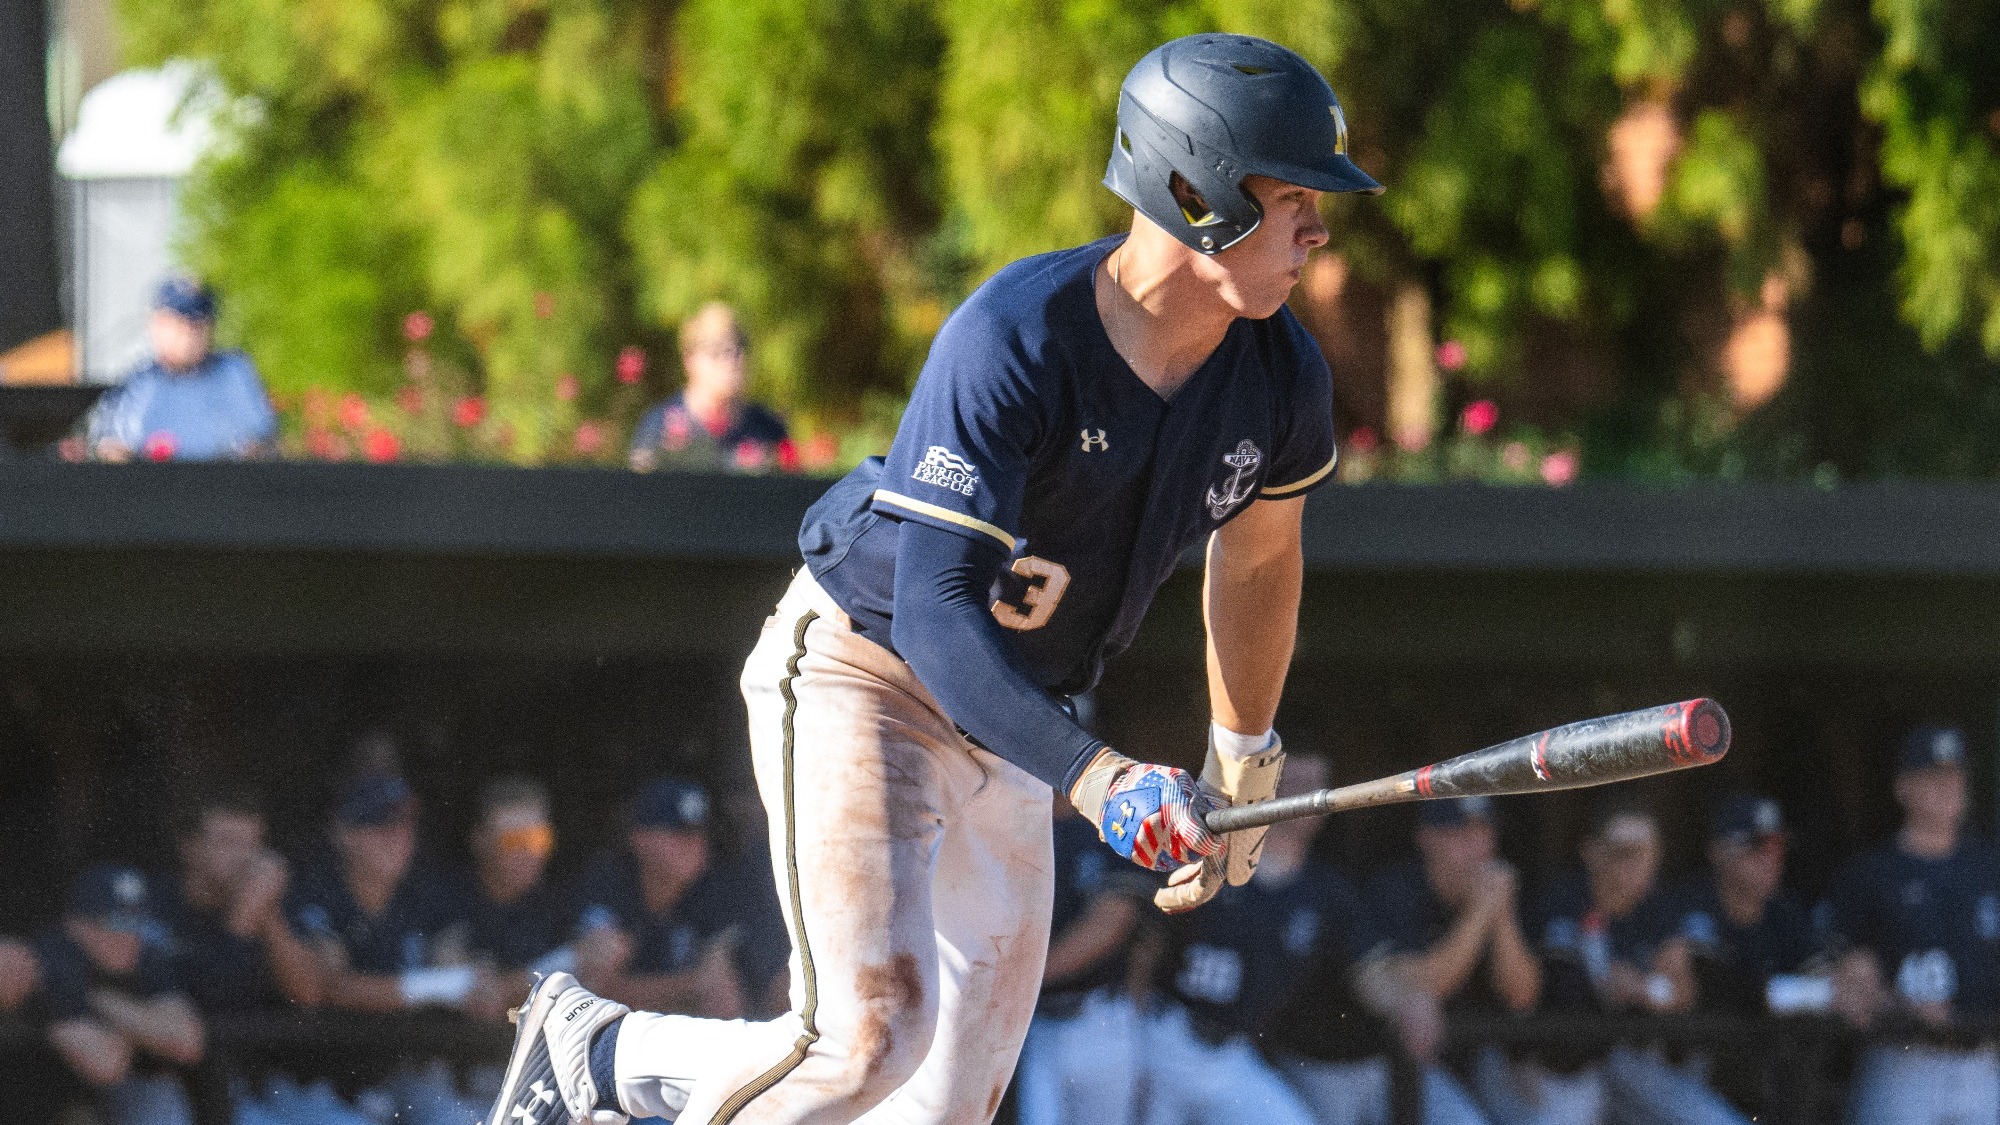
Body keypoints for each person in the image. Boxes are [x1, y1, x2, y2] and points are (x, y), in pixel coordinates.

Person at [485, 31, 1377, 1125]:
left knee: (950, 1103)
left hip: (1015, 714)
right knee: (863, 1038)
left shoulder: (1279, 370)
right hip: (871, 669)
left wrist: (1241, 749)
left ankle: (608, 1062)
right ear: (1197, 193)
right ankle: (605, 1053)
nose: (1317, 227)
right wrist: (1098, 780)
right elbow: (934, 610)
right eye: (1293, 194)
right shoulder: (1018, 335)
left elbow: (1258, 556)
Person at [1144, 752, 1447, 1125]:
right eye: (1291, 784)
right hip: (1163, 1036)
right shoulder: (1209, 858)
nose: (1303, 797)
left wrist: (1407, 1001)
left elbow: (1369, 971)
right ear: (1265, 789)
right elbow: (1145, 943)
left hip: (1232, 1053)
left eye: (1314, 787)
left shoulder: (1327, 892)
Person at [1490, 805, 1746, 1125]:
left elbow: (1682, 992)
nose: (1635, 864)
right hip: (1543, 1060)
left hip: (1619, 1058)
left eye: (1645, 852)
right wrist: (1602, 982)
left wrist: (1648, 989)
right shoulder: (1561, 898)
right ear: (1592, 852)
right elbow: (1524, 995)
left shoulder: (1658, 908)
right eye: (1623, 851)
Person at [1819, 725, 2000, 1125]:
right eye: (1933, 775)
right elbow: (1837, 978)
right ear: (1903, 787)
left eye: (1955, 775)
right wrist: (1889, 1002)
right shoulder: (1872, 873)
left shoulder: (1990, 868)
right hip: (1904, 1063)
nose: (1947, 786)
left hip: (1986, 1064)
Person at [286, 773, 481, 1125]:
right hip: (322, 1080)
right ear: (344, 833)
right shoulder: (316, 889)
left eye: (406, 827)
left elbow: (466, 979)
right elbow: (329, 985)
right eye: (381, 827)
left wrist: (466, 983)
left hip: (409, 1073)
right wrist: (435, 986)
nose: (398, 839)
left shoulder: (425, 893)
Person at [1367, 796, 1541, 1125]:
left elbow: (1522, 995)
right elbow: (1427, 984)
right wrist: (1479, 914)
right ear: (1427, 837)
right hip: (1390, 1066)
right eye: (1462, 834)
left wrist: (1501, 919)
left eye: (1484, 833)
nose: (1478, 847)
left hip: (1477, 1058)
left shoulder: (1499, 891)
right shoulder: (1398, 889)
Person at [1669, 794, 1814, 1117]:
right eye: (1756, 846)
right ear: (1719, 851)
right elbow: (1707, 987)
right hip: (1687, 1068)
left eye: (1777, 847)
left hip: (1763, 1074)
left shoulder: (1787, 917)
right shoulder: (1687, 906)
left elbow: (1823, 981)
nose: (1770, 858)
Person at [1013, 798, 1155, 1125]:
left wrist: (1015, 983)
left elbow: (1112, 926)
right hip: (1035, 1026)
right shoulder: (1015, 825)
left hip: (1100, 1019)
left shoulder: (1113, 826)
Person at [32, 865, 205, 1125]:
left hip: (111, 1100)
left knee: (160, 1096)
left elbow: (187, 1042)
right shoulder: (54, 958)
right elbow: (107, 1064)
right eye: (117, 922)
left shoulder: (145, 957)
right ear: (78, 926)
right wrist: (142, 1022)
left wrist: (100, 1000)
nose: (129, 935)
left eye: (138, 922)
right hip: (41, 1102)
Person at [569, 777, 754, 1019]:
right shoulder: (607, 884)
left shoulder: (712, 889)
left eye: (700, 834)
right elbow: (593, 996)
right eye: (680, 834)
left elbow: (723, 1000)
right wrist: (691, 984)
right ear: (641, 838)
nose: (695, 845)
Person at [85, 276, 277, 461]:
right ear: (155, 324)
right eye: (179, 322)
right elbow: (110, 449)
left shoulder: (233, 373)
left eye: (198, 323)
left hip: (228, 488)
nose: (189, 333)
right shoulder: (138, 385)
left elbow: (263, 442)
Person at [459, 776, 576, 1021]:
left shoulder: (562, 905)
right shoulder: (448, 903)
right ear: (480, 841)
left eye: (536, 840)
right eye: (513, 841)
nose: (526, 853)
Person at [628, 303, 790, 473]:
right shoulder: (659, 426)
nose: (733, 360)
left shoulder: (767, 429)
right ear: (689, 359)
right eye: (718, 350)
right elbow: (639, 493)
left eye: (740, 347)